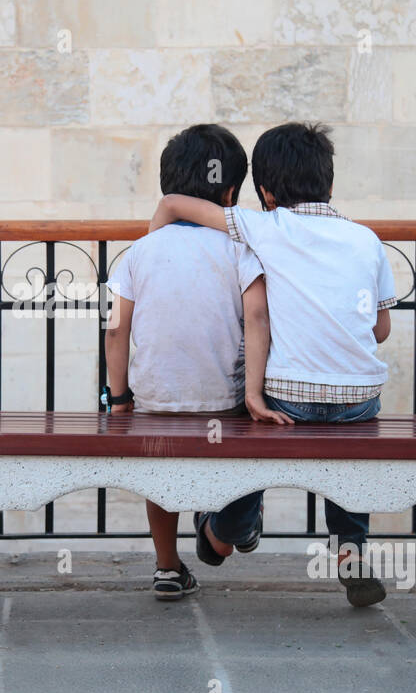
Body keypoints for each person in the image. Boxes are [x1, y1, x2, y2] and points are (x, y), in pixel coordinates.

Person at [148, 122, 397, 607]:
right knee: (349, 463)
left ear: (264, 193)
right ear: (329, 184)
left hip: (287, 395)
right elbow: (380, 330)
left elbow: (180, 205)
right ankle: (352, 553)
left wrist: (156, 230)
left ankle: (223, 533)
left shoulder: (267, 225)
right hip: (358, 400)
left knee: (252, 447)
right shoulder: (366, 239)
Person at [104, 124, 279, 600]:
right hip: (225, 402)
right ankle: (226, 530)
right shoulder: (242, 248)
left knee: (161, 473)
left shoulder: (138, 252)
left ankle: (166, 566)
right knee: (249, 451)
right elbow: (258, 316)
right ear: (229, 192)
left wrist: (117, 398)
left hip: (154, 401)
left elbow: (116, 328)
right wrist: (254, 390)